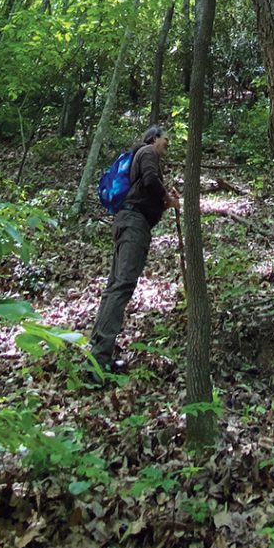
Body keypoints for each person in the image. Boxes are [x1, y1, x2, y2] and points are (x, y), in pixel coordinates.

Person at [88, 124, 179, 372]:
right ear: (154, 138)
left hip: (127, 222)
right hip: (133, 225)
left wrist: (163, 203)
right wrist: (167, 198)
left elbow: (145, 188)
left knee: (114, 286)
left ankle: (98, 348)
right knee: (121, 286)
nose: (167, 143)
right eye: (165, 139)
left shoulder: (141, 156)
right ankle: (99, 358)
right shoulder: (148, 153)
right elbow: (150, 181)